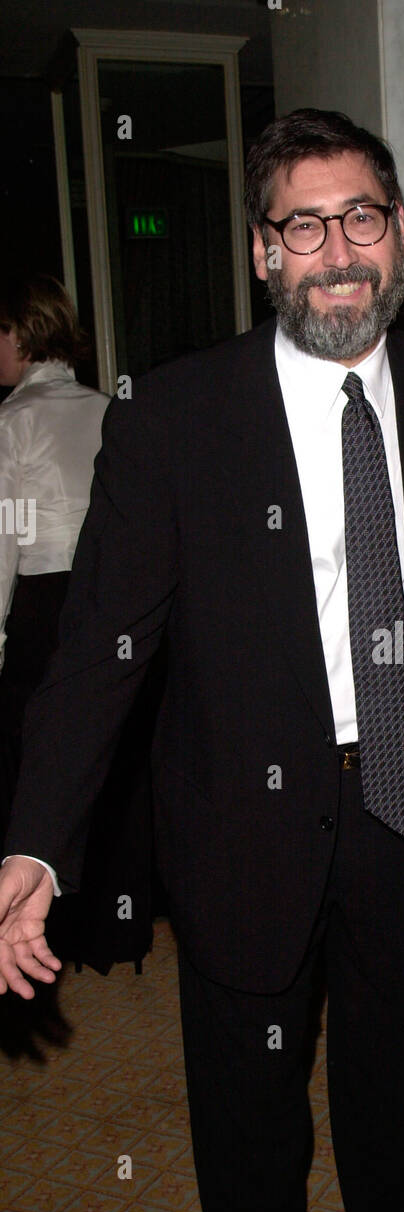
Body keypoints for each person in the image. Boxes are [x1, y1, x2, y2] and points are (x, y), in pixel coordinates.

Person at [0, 109, 404, 1212]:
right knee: (250, 1112)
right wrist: (36, 837)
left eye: (362, 218)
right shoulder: (174, 419)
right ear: (265, 253)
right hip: (241, 823)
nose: (338, 251)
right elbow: (98, 654)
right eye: (304, 225)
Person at [0, 274, 154, 1025]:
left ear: (21, 334)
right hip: (110, 604)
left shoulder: (11, 421)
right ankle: (120, 927)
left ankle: (43, 925)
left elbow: (2, 543)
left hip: (41, 608)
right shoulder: (108, 407)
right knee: (114, 767)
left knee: (43, 769)